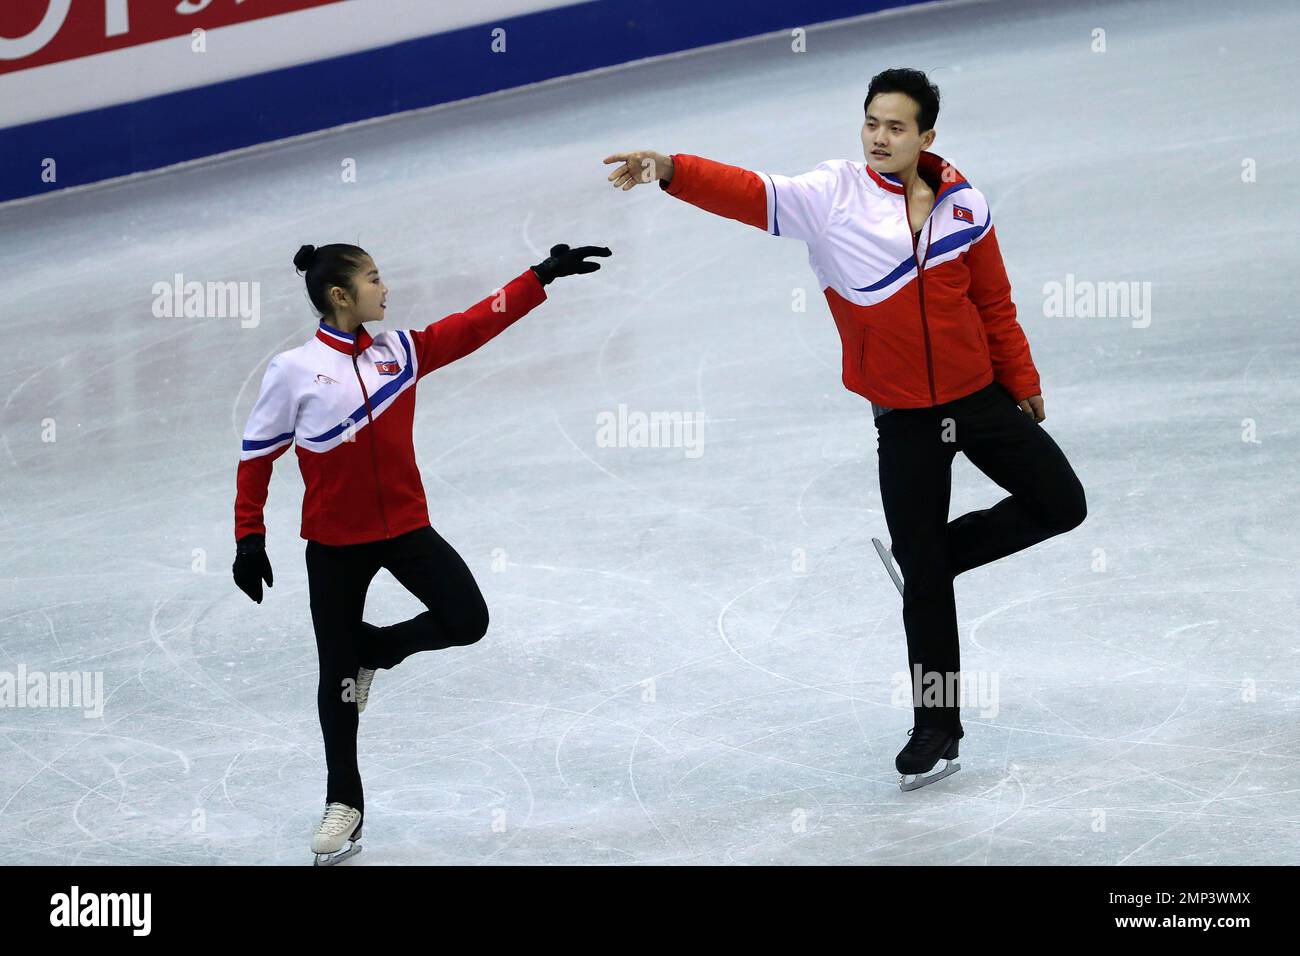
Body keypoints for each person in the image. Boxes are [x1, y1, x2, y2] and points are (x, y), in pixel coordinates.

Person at [603, 67, 1085, 790]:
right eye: (871, 123)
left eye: (896, 126)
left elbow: (994, 302)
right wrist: (671, 169)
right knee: (924, 582)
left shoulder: (965, 205)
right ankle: (937, 725)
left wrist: (1024, 381)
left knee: (1060, 504)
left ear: (927, 135)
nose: (880, 138)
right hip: (906, 419)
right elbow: (750, 193)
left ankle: (934, 557)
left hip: (978, 398)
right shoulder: (833, 196)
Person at [232, 240, 611, 862]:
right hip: (333, 546)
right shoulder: (295, 371)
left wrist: (538, 276)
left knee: (468, 619)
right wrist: (250, 537)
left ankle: (375, 648)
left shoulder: (398, 352)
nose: (387, 289)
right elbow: (256, 458)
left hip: (406, 530)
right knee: (337, 680)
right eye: (374, 280)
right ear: (340, 296)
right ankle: (344, 803)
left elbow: (471, 326)